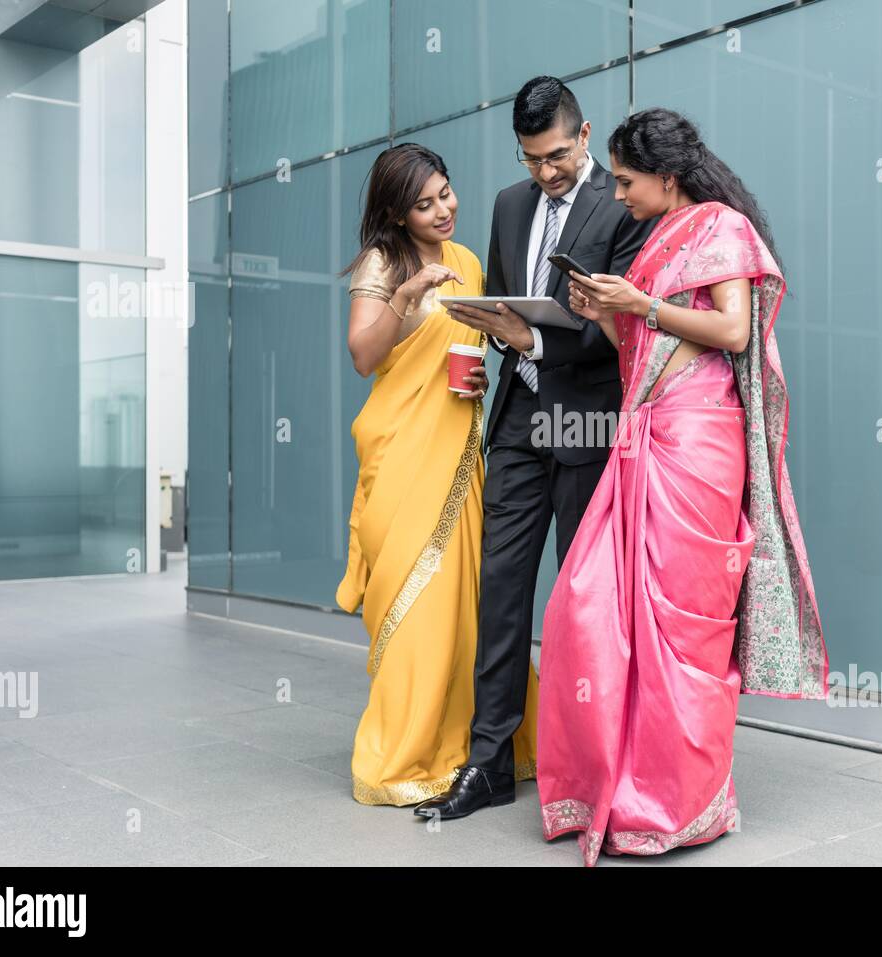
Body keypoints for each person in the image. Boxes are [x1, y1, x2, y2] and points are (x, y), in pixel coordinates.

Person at [536, 108, 829, 865]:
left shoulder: (722, 229)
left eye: (627, 180)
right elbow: (643, 342)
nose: (619, 192)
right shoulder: (658, 236)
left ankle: (682, 802)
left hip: (698, 441)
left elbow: (732, 331)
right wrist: (605, 313)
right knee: (593, 606)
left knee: (684, 624)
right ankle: (621, 783)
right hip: (643, 432)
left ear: (667, 177)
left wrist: (639, 305)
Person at [416, 77, 653, 820]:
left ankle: (595, 763)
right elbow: (503, 302)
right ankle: (489, 762)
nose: (545, 172)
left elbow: (625, 328)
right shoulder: (508, 206)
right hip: (518, 422)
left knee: (585, 603)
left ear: (584, 136)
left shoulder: (621, 203)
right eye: (530, 159)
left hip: (585, 422)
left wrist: (535, 336)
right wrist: (493, 328)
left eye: (555, 155)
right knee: (503, 593)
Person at [334, 143, 537, 806]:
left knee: (462, 608)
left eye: (446, 193)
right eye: (424, 204)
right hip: (401, 454)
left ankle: (470, 748)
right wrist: (406, 294)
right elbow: (366, 355)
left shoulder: (470, 262)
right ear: (397, 213)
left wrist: (476, 375)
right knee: (412, 603)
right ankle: (407, 752)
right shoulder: (382, 262)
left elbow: (468, 347)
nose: (444, 210)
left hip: (455, 452)